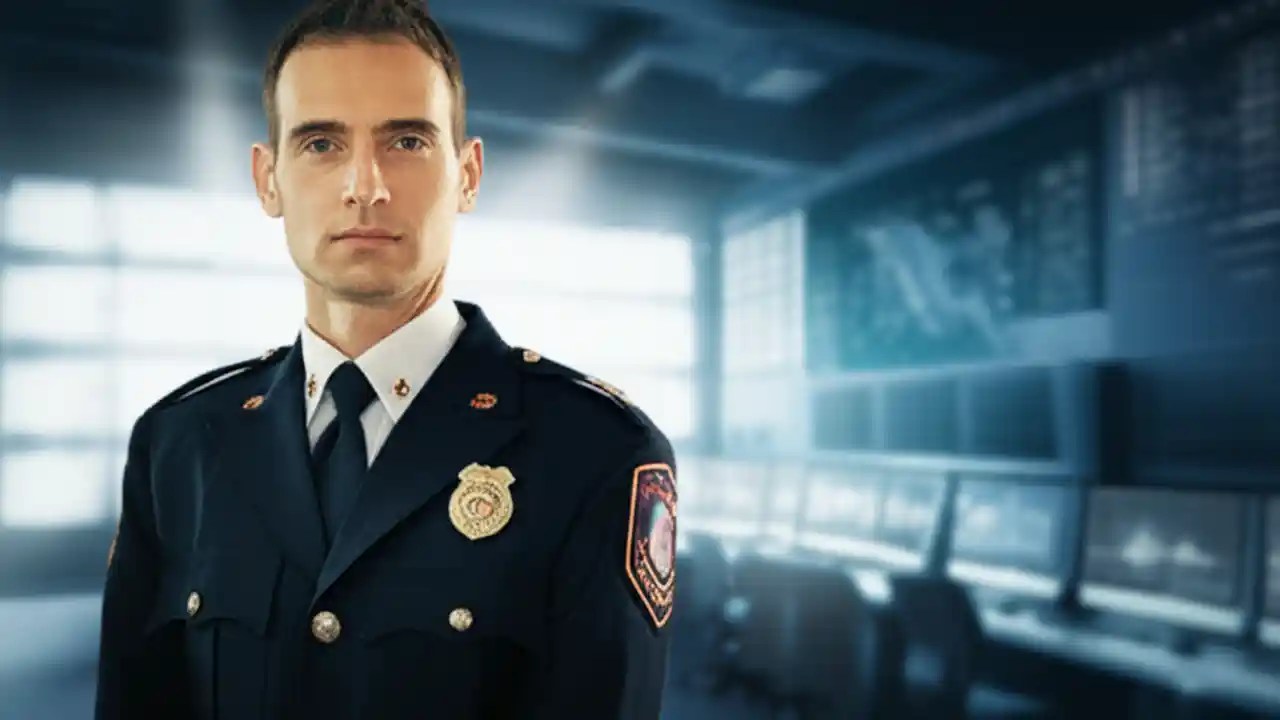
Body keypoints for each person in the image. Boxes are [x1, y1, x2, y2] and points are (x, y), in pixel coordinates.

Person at [94, 1, 677, 718]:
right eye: (320, 144)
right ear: (267, 178)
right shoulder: (177, 445)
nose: (364, 185)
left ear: (467, 174)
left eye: (406, 141)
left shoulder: (594, 452)